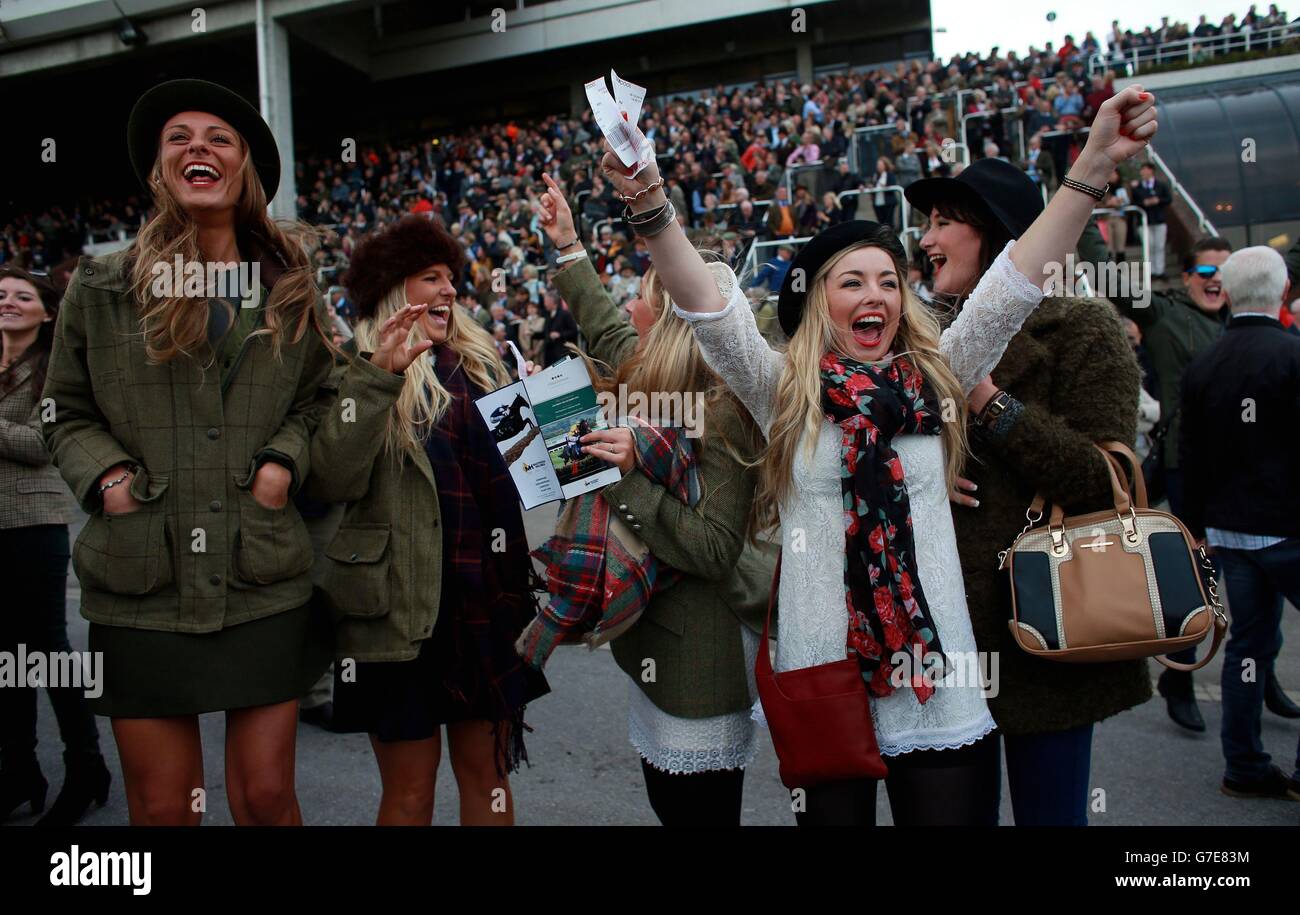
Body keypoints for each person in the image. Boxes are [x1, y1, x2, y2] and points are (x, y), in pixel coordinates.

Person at [600, 86, 1160, 826]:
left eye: (890, 281)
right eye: (853, 281)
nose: (878, 295)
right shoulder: (782, 391)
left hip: (935, 675)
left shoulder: (938, 375)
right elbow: (709, 307)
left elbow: (1015, 282)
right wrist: (651, 203)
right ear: (819, 303)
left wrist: (1091, 165)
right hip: (823, 672)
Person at [40, 79, 335, 825]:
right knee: (168, 807)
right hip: (142, 578)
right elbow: (62, 409)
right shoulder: (101, 285)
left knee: (267, 798)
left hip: (260, 571)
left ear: (244, 170)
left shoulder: (292, 286)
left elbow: (324, 398)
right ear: (159, 169)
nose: (197, 146)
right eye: (179, 137)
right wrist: (106, 476)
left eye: (218, 138)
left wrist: (283, 464)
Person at [907, 157, 1152, 826]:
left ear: (996, 232)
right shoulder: (919, 344)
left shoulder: (1083, 328)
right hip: (950, 644)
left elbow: (1105, 481)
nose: (925, 241)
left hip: (1053, 635)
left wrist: (990, 401)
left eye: (943, 222)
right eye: (925, 223)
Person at [528, 173, 773, 826]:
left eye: (639, 294)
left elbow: (716, 548)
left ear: (666, 315)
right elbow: (605, 329)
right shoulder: (653, 375)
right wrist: (567, 245)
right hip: (662, 653)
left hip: (702, 661)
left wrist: (624, 475)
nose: (628, 305)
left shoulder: (717, 408)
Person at [308, 214, 549, 826]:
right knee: (409, 794)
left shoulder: (481, 367)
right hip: (392, 613)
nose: (448, 291)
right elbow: (332, 476)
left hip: (483, 604)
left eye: (451, 279)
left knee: (488, 781)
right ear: (393, 291)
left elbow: (530, 480)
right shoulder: (348, 370)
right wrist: (379, 377)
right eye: (429, 278)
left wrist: (557, 426)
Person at [1179, 246, 1300, 801]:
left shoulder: (1205, 362)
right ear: (1283, 293)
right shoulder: (1292, 354)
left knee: (1247, 646)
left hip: (1229, 530)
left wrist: (1196, 525)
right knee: (1254, 644)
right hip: (1286, 527)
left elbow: (1191, 455)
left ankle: (1245, 764)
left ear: (1226, 291)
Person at [0, 267, 111, 826]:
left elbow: (44, 444)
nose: (8, 302)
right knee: (7, 657)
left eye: (23, 296)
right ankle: (19, 768)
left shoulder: (54, 368)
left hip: (32, 524)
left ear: (47, 312)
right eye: (0, 294)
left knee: (48, 651)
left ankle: (85, 764)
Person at [1133, 162, 1171, 278]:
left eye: (1145, 169)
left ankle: (1160, 270)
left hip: (1159, 220)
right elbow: (1134, 203)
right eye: (1142, 170)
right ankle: (1151, 271)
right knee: (1149, 246)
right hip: (1145, 221)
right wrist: (1144, 203)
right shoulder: (1137, 187)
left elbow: (1168, 199)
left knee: (1159, 245)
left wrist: (1158, 200)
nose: (1143, 172)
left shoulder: (1161, 185)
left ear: (1151, 171)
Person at [541, 288, 578, 366]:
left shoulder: (565, 314)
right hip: (549, 354)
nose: (544, 304)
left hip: (562, 353)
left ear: (553, 301)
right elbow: (546, 333)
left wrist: (560, 335)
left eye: (546, 301)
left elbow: (574, 331)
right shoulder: (547, 315)